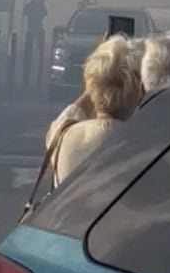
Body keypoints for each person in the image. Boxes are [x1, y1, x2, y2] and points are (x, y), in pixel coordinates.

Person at [46, 36, 141, 185]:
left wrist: (96, 83)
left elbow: (65, 118)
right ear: (138, 88)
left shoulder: (63, 137)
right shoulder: (142, 148)